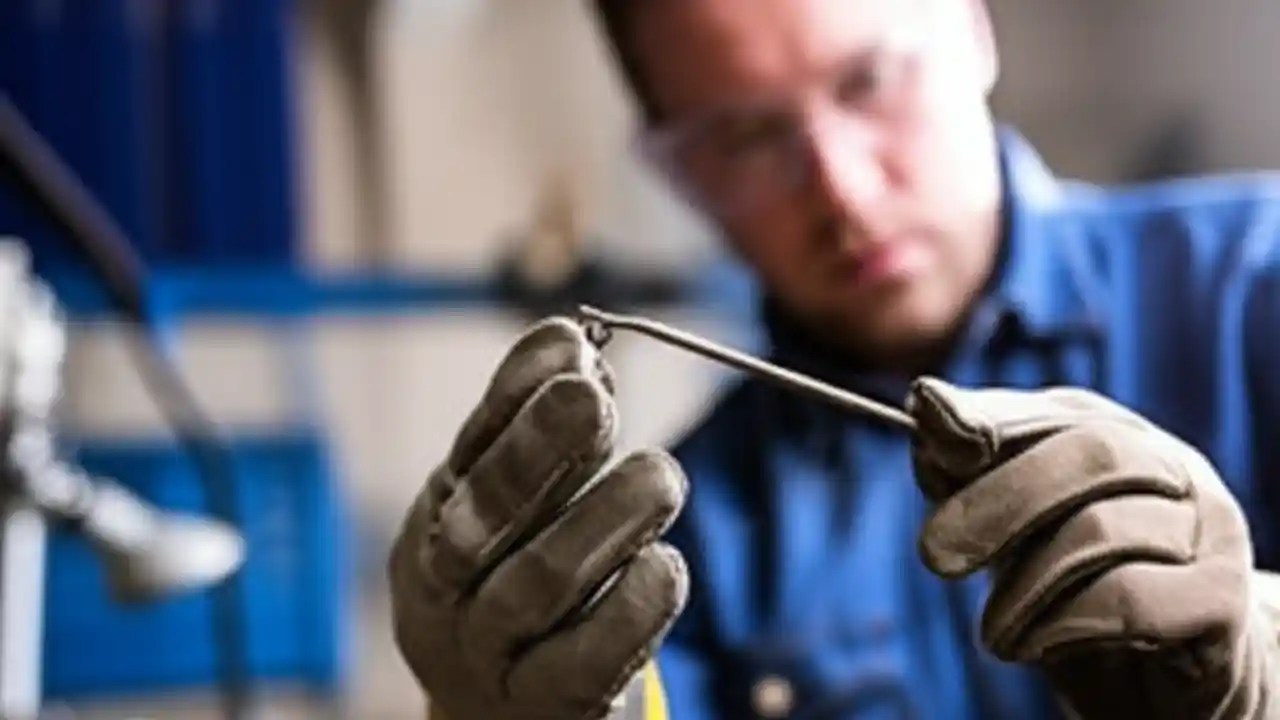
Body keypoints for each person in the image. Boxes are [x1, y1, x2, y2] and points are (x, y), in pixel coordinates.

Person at [387, 0, 1280, 717]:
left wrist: (1262, 663)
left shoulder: (1256, 286)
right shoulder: (678, 549)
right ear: (678, 175)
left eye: (872, 80)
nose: (843, 193)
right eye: (746, 139)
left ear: (974, 27)